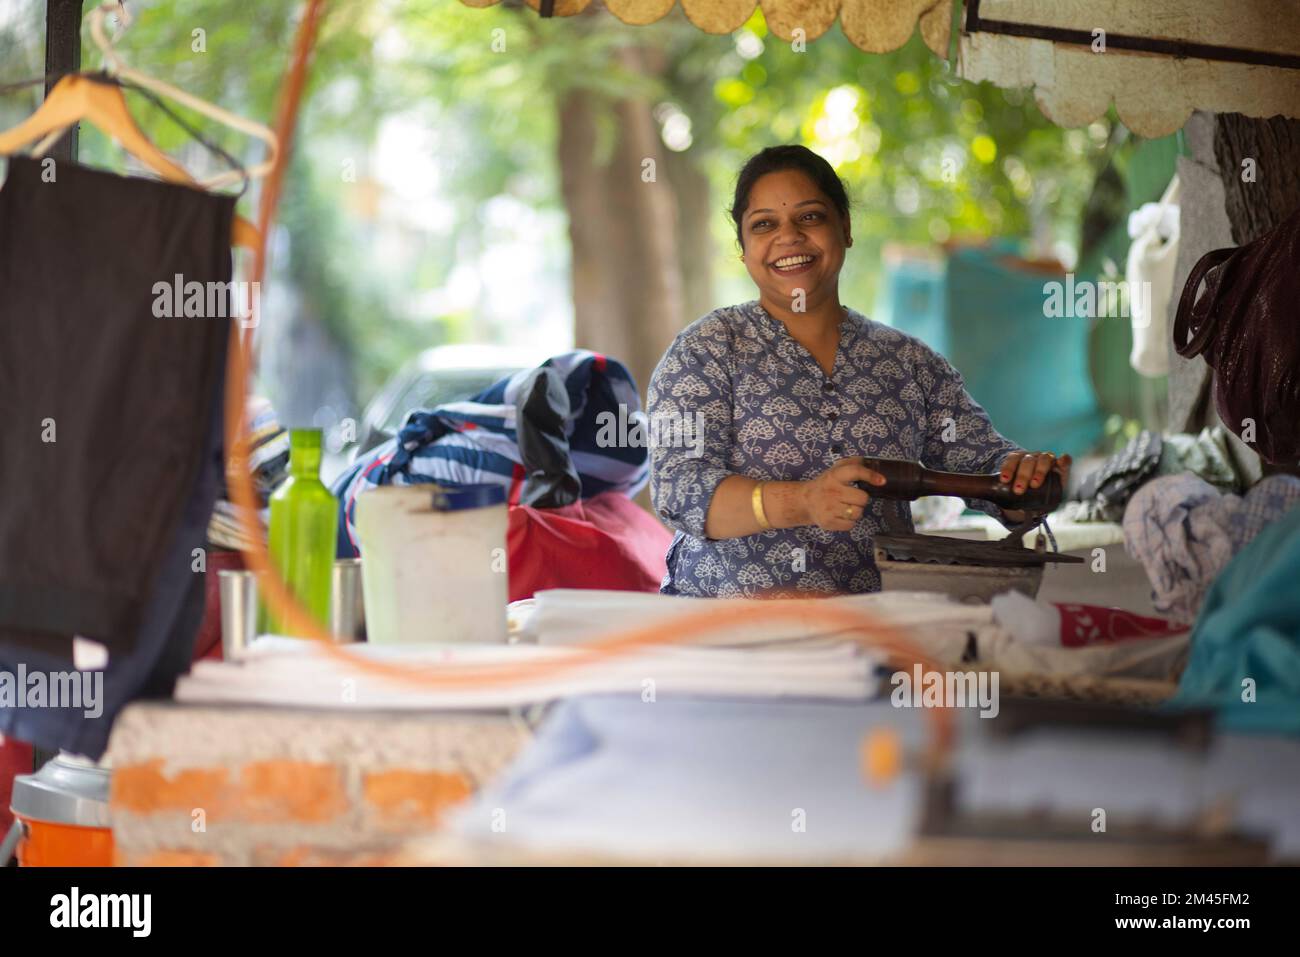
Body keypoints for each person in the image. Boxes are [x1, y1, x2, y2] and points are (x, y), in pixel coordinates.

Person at [647, 145, 1070, 597]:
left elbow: (982, 462)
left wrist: (1025, 480)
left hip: (875, 632)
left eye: (809, 217)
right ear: (744, 250)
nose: (788, 237)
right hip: (725, 633)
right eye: (764, 224)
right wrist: (804, 500)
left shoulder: (908, 363)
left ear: (845, 228)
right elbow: (679, 490)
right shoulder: (706, 350)